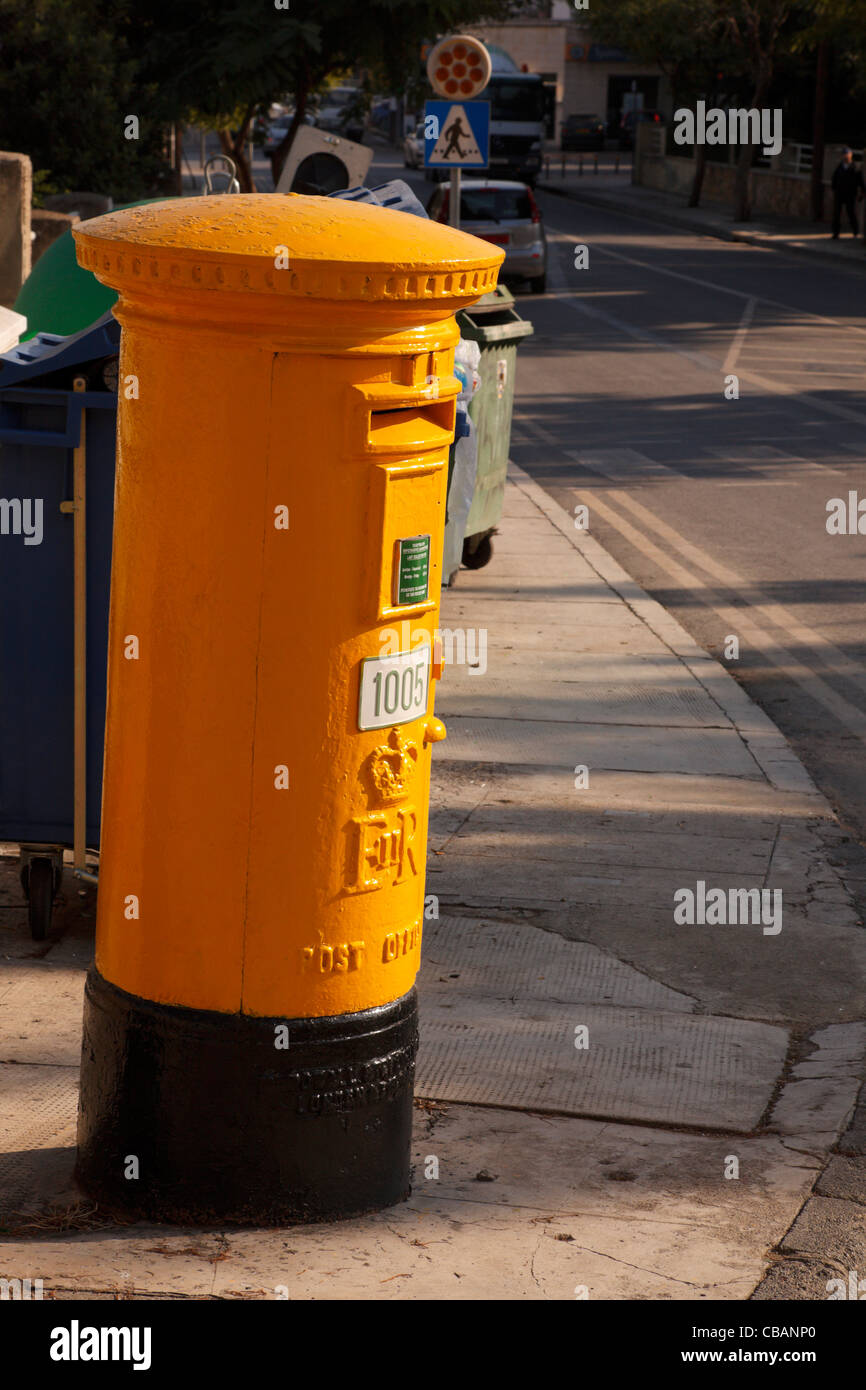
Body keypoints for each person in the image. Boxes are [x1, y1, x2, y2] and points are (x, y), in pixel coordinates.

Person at [831, 147, 865, 238]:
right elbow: (834, 179)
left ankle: (855, 231)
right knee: (837, 213)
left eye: (847, 154)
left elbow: (860, 180)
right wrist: (834, 189)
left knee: (851, 212)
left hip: (850, 193)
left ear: (851, 155)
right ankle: (835, 233)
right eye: (844, 154)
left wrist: (862, 192)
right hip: (839, 193)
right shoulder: (839, 167)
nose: (846, 156)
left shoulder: (855, 167)